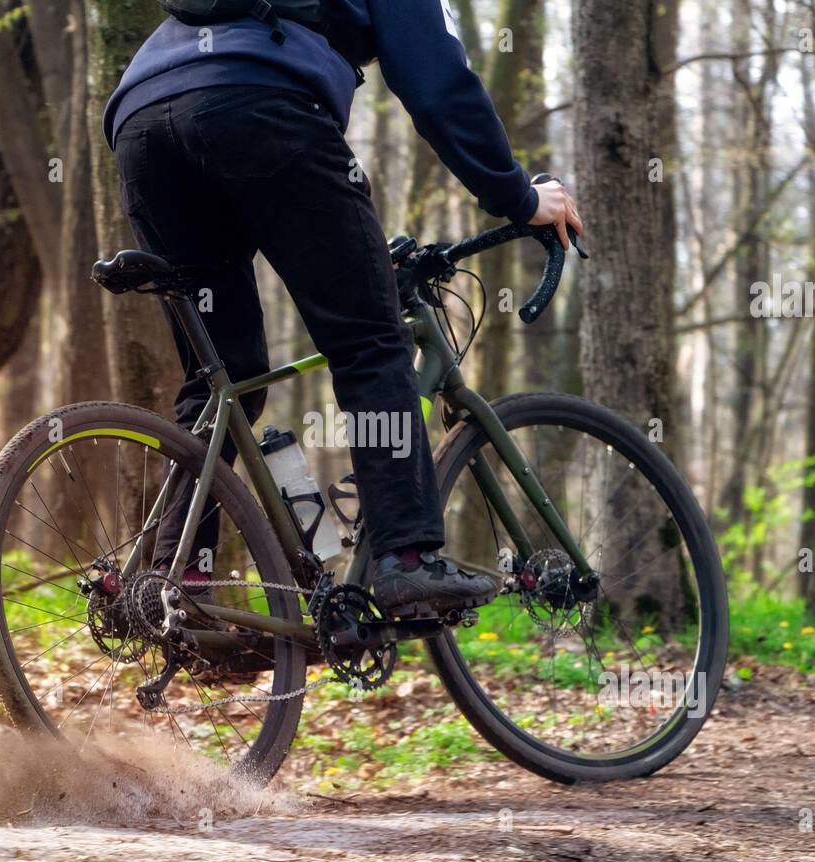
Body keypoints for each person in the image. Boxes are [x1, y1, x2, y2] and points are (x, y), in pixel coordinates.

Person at [104, 0, 583, 617]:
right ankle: (407, 561)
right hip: (261, 109)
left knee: (224, 379)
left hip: (142, 126)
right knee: (370, 342)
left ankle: (181, 593)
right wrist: (518, 196)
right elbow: (435, 85)